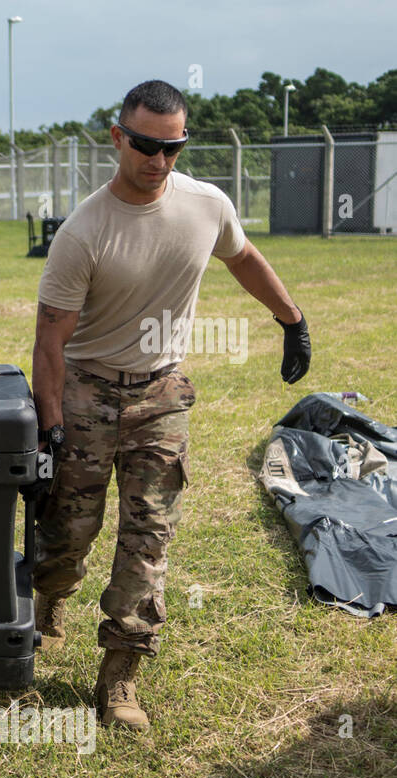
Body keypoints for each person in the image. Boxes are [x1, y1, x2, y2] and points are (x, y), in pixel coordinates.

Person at [30, 79, 311, 731]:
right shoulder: (84, 232)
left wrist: (291, 318)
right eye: (146, 146)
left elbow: (242, 258)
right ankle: (50, 595)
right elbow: (50, 340)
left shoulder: (206, 205)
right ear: (118, 138)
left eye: (173, 148)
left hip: (162, 393)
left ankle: (121, 673)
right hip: (87, 389)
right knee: (70, 528)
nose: (158, 161)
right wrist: (51, 426)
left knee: (148, 535)